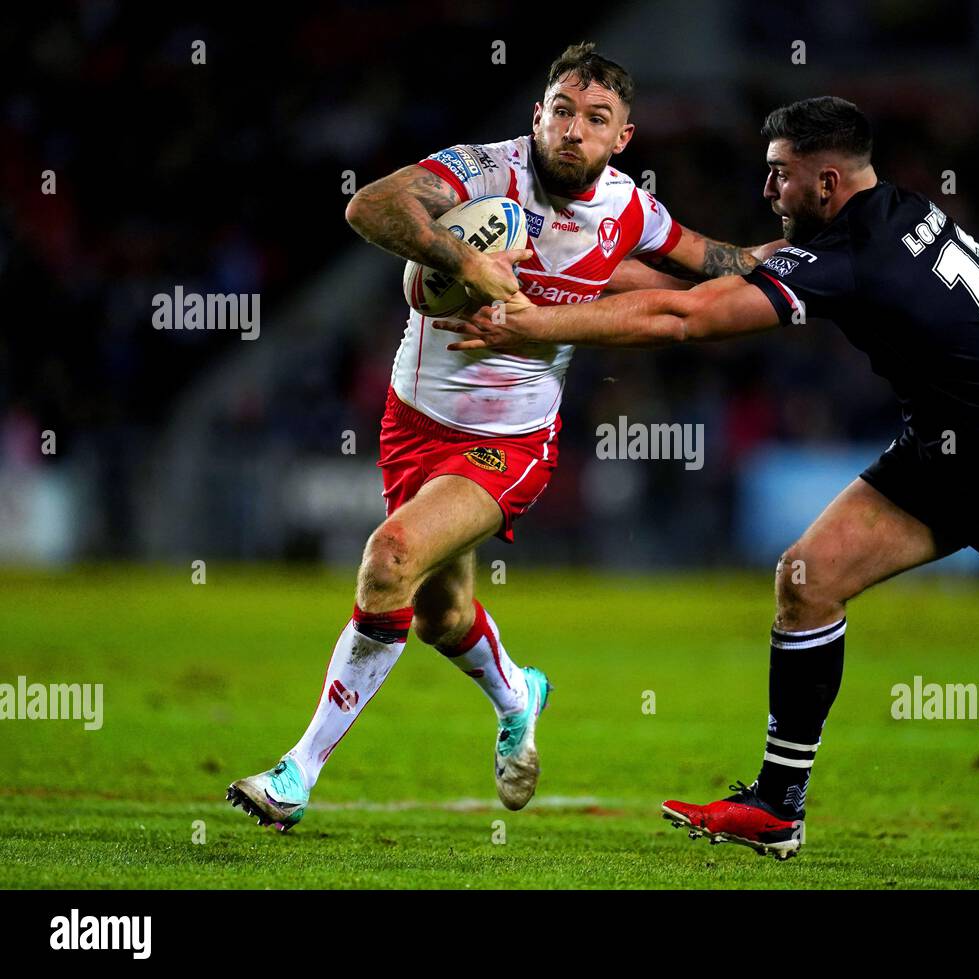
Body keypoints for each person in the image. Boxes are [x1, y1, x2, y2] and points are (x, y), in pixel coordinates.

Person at [443, 95, 979, 864]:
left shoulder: (858, 258)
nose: (765, 187)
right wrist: (563, 264)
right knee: (807, 580)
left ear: (824, 180)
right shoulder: (890, 215)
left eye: (778, 176)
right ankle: (779, 805)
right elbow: (731, 269)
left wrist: (535, 323)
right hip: (945, 459)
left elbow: (687, 317)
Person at [226, 43, 770, 830]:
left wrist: (802, 261)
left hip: (508, 444)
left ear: (624, 138)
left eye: (596, 119)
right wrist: (463, 262)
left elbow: (717, 265)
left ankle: (295, 773)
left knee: (390, 559)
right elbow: (369, 206)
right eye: (560, 111)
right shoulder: (484, 171)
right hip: (411, 422)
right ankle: (518, 693)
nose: (572, 130)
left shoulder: (628, 212)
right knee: (442, 615)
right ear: (536, 115)